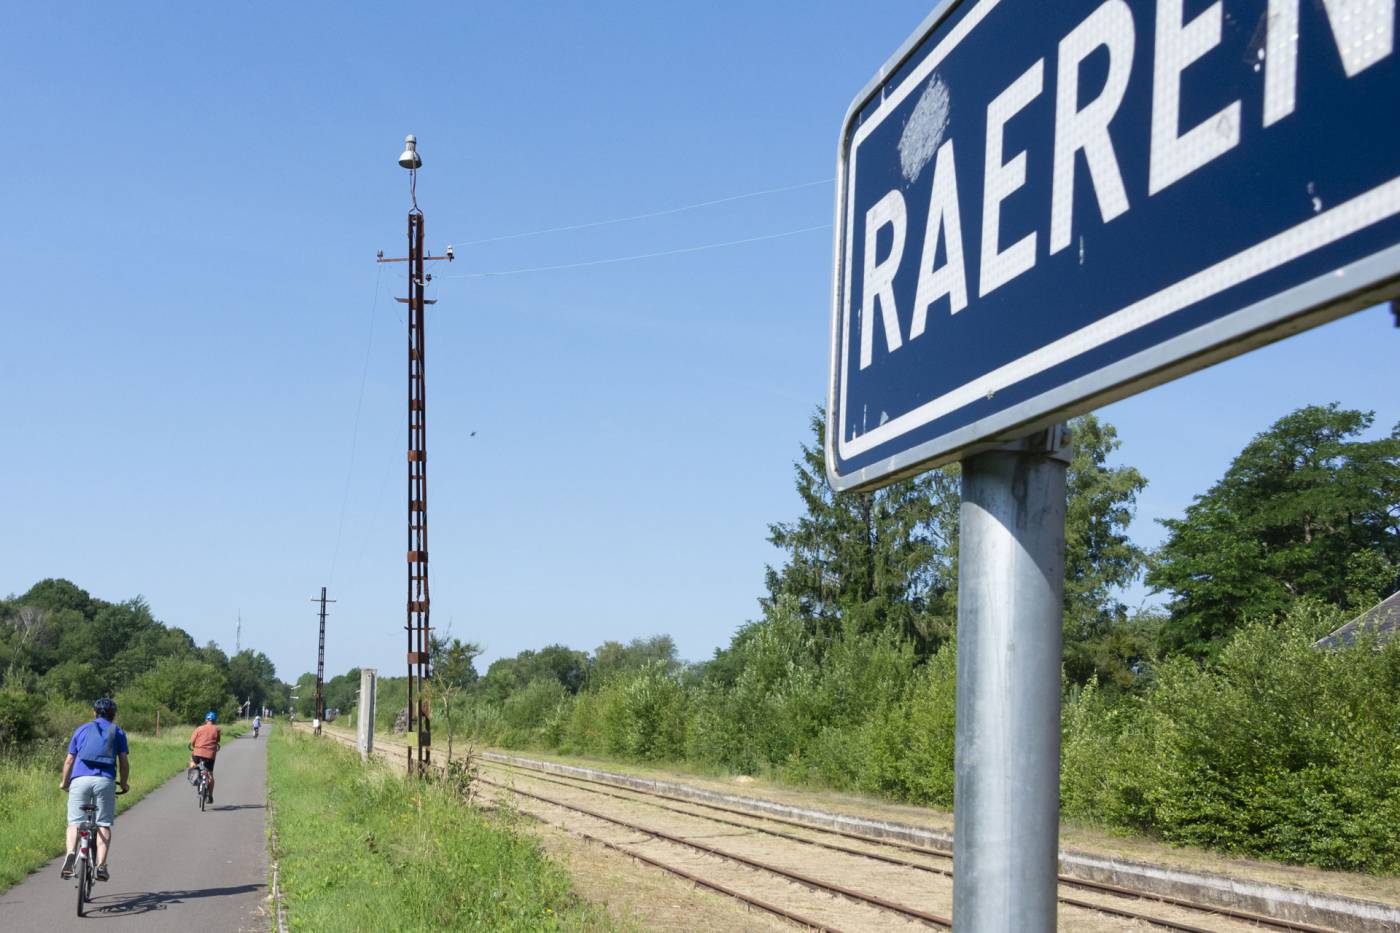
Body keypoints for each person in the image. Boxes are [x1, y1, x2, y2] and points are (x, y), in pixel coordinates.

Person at [59, 698, 129, 882]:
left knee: (74, 822)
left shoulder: (82, 729)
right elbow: (123, 761)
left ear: (94, 713)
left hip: (80, 780)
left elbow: (69, 760)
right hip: (105, 781)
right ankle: (101, 866)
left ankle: (71, 855)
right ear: (113, 715)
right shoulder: (118, 732)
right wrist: (124, 783)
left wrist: (64, 782)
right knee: (103, 825)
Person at [188, 711, 222, 804]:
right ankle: (210, 796)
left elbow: (192, 742)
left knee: (192, 762)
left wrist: (195, 746)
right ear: (214, 720)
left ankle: (195, 774)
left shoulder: (199, 728)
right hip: (210, 755)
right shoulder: (217, 729)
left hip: (197, 753)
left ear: (206, 719)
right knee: (210, 774)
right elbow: (217, 741)